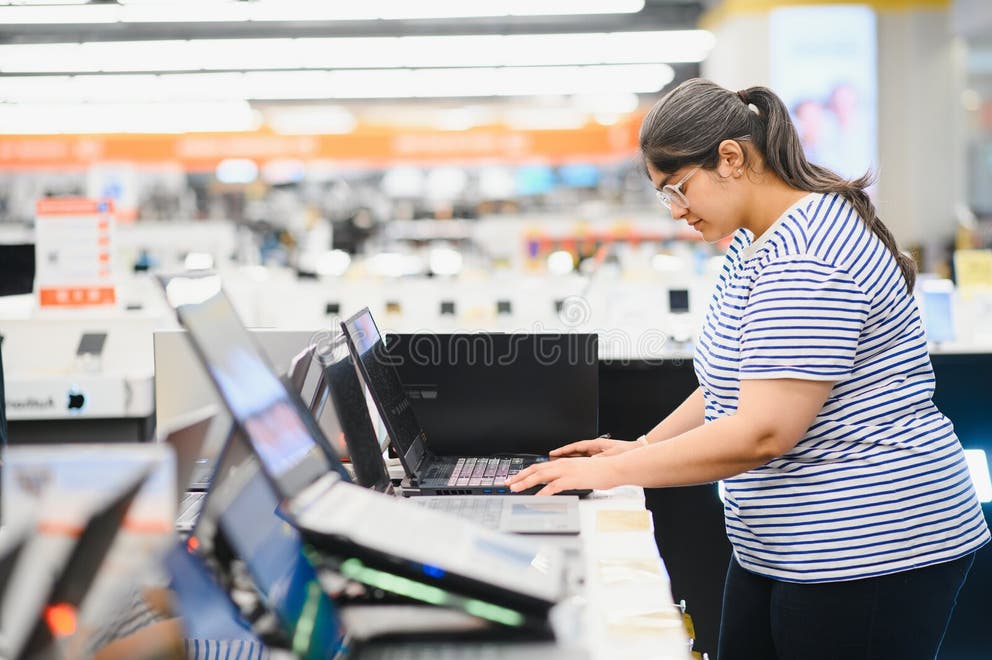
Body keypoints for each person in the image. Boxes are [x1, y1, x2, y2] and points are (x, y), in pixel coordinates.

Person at [506, 78, 990, 660]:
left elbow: (763, 431)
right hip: (788, 543)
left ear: (731, 158)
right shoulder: (757, 240)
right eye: (665, 197)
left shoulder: (809, 256)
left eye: (678, 189)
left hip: (866, 545)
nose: (677, 211)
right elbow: (732, 383)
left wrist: (614, 473)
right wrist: (640, 449)